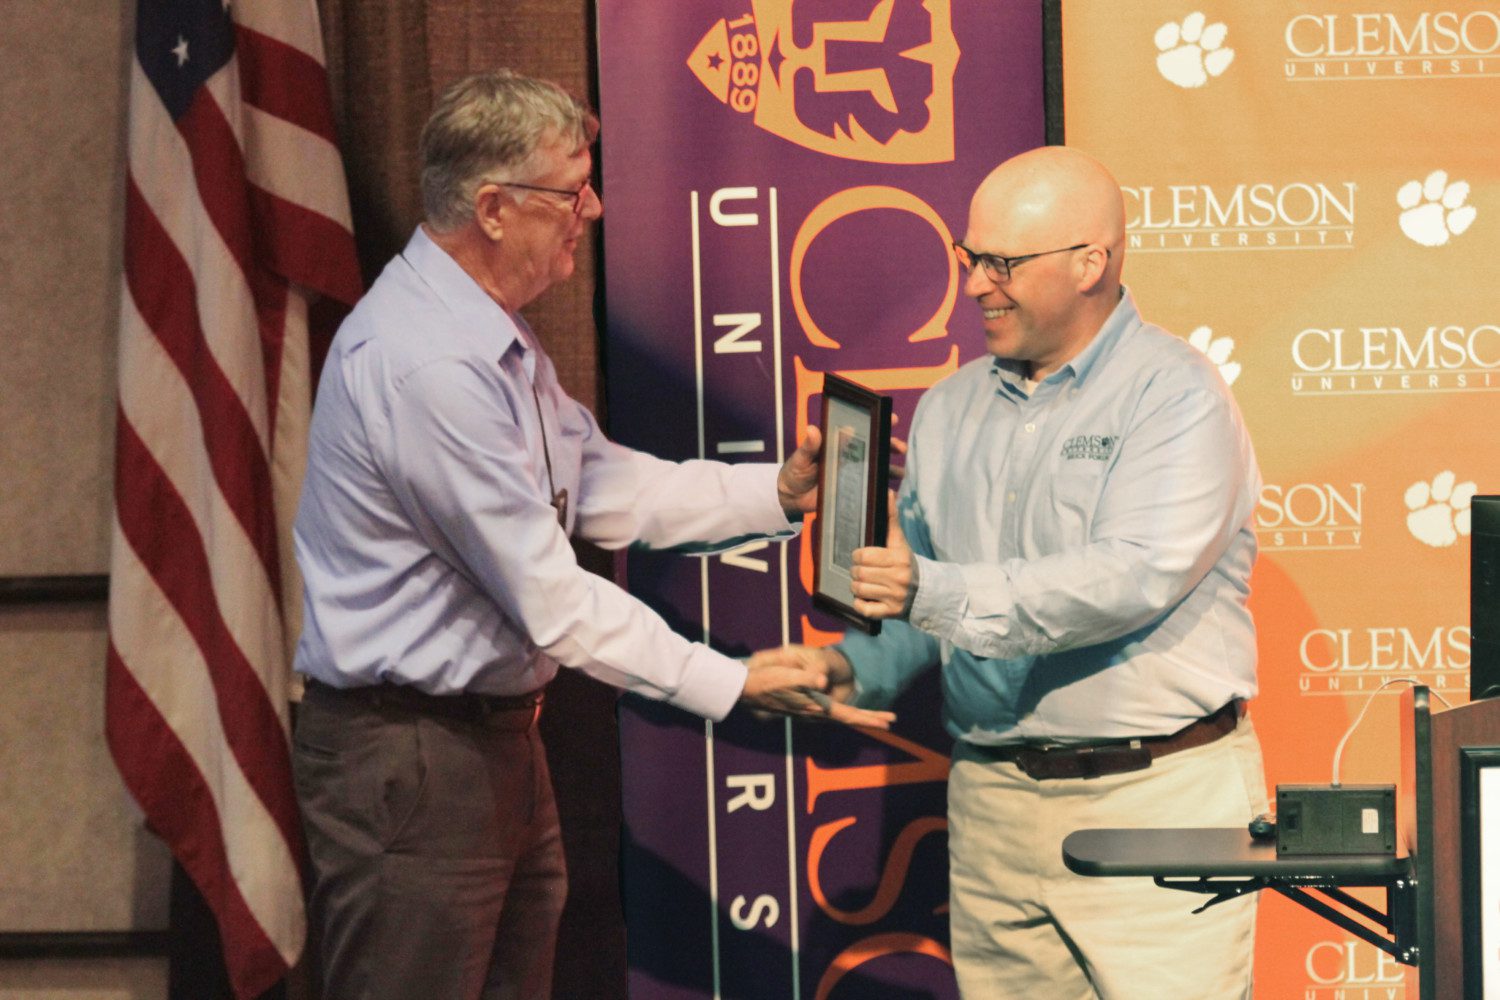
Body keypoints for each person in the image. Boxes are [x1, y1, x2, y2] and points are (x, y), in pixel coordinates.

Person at [289, 69, 889, 1000]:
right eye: (572, 190)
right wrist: (726, 682)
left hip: (483, 746)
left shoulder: (490, 339)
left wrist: (780, 494)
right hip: (411, 761)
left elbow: (604, 487)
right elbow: (551, 598)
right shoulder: (430, 365)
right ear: (494, 208)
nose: (595, 207)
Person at [763, 146, 1268, 999]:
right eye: (971, 260)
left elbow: (1130, 578)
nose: (975, 285)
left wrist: (934, 590)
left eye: (1002, 263)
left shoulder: (1176, 396)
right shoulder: (951, 409)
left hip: (1156, 802)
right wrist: (849, 663)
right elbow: (920, 592)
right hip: (993, 805)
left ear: (1090, 264)